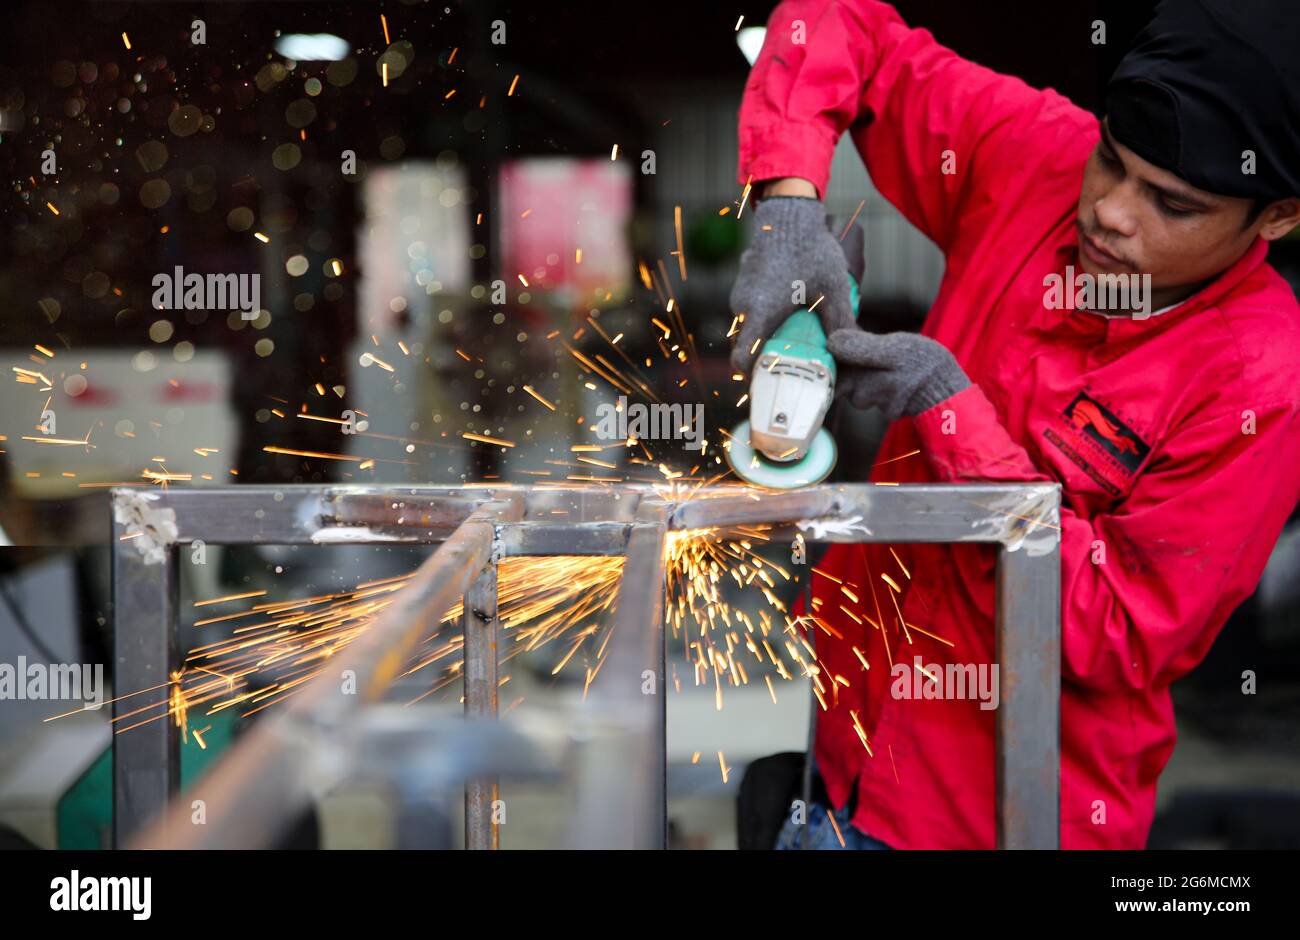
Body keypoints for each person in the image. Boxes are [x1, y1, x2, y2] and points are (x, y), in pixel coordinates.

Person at [730, 0, 1300, 849]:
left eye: (1172, 205)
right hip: (843, 741)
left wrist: (947, 411)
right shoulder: (1037, 153)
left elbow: (1116, 634)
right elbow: (836, 22)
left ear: (1278, 217)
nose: (1111, 211)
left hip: (1001, 817)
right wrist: (788, 205)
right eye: (1112, 161)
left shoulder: (1257, 383)